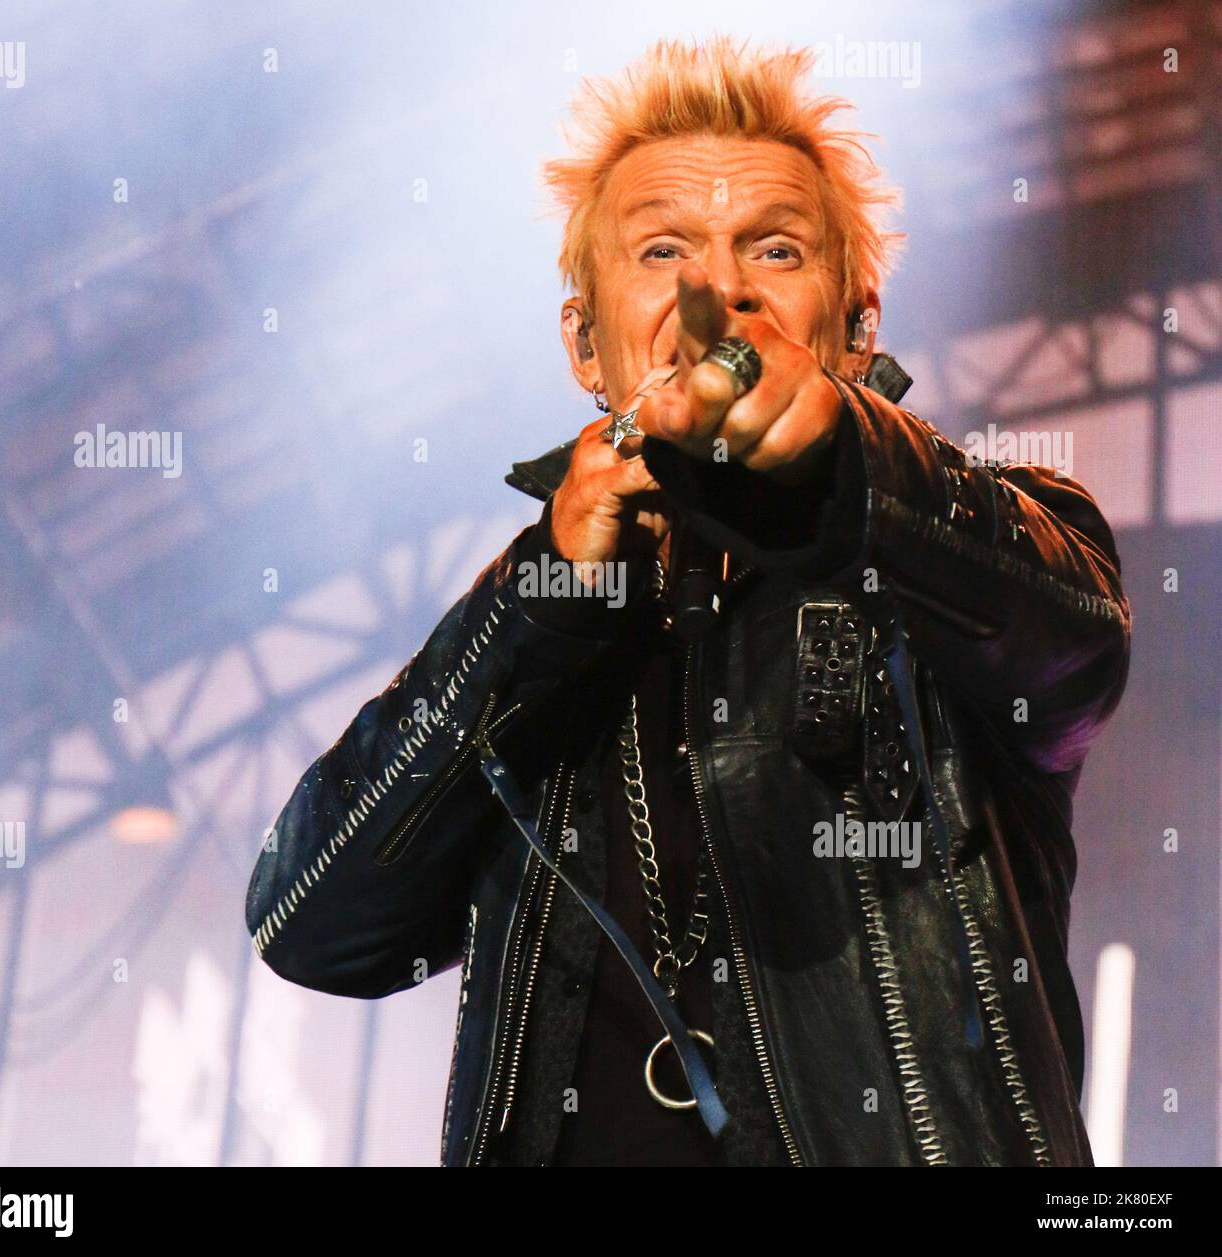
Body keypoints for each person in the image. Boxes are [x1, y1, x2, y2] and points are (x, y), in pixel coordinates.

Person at [245, 35, 1131, 1166]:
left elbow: (1072, 645)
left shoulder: (963, 545)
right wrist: (541, 605)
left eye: (772, 247)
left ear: (854, 329)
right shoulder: (536, 618)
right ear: (585, 342)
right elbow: (314, 927)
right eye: (664, 249)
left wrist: (846, 462)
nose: (720, 293)